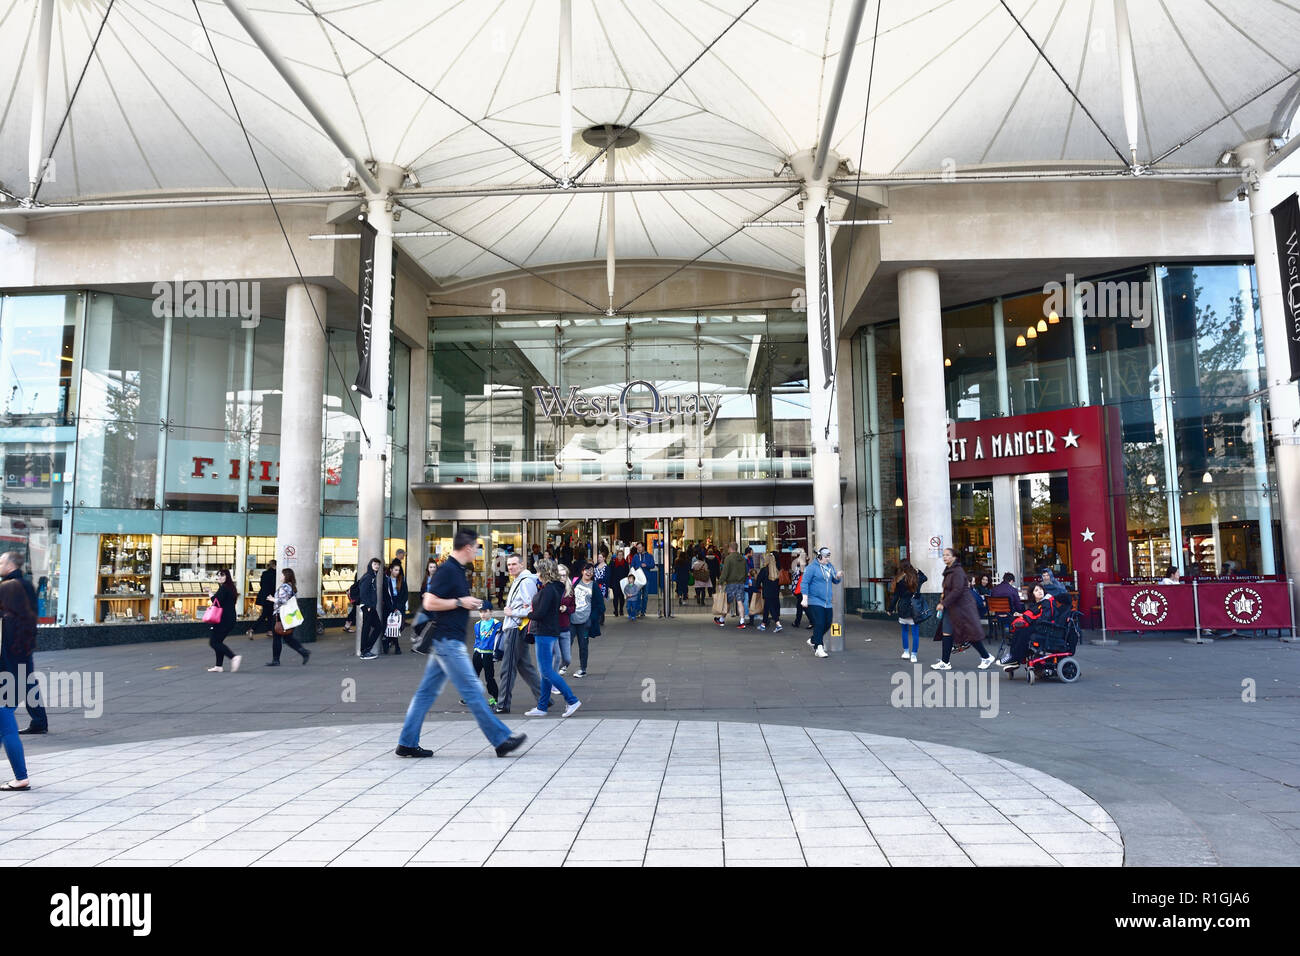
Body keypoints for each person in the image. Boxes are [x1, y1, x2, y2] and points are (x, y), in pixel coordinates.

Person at [396, 530, 525, 759]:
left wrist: (466, 603)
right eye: (476, 547)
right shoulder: (447, 570)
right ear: (467, 547)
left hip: (444, 642)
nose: (476, 551)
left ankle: (406, 743)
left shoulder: (456, 571)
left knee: (426, 693)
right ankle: (501, 739)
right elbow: (429, 601)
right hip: (448, 642)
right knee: (473, 690)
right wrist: (459, 601)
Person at [524, 559, 582, 719]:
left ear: (544, 573)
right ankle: (542, 706)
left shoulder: (548, 590)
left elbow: (540, 613)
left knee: (546, 670)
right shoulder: (554, 588)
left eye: (538, 571)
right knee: (545, 672)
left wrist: (527, 613)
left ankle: (571, 700)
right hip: (549, 631)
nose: (536, 574)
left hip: (544, 632)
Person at [0, 553, 45, 734]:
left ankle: (10, 717)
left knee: (18, 681)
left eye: (1, 562)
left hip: (12, 642)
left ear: (11, 565)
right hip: (22, 642)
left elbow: (9, 616)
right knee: (25, 680)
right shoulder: (25, 584)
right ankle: (39, 721)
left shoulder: (10, 586)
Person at [495, 553, 543, 715]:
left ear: (522, 565)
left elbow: (531, 609)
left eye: (514, 564)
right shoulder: (520, 580)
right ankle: (544, 699)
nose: (511, 567)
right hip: (515, 627)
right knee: (525, 666)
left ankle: (503, 704)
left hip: (516, 628)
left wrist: (512, 612)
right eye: (509, 565)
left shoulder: (525, 581)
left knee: (507, 668)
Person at [933, 548, 995, 671]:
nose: (945, 557)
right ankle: (945, 662)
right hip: (952, 607)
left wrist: (943, 603)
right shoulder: (950, 570)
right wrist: (943, 599)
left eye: (947, 555)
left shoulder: (957, 571)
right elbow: (951, 589)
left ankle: (986, 656)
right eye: (943, 555)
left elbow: (957, 590)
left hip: (961, 608)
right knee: (947, 632)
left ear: (954, 557)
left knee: (969, 633)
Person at [0, 574, 35, 789]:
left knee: (8, 730)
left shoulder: (4, 623)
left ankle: (21, 778)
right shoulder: (24, 621)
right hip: (18, 679)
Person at [1001, 584, 1059, 668]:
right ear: (1033, 594)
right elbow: (1035, 615)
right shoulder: (1040, 603)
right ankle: (1013, 656)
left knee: (1023, 632)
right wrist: (1023, 616)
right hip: (1040, 625)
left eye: (1040, 589)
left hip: (1046, 628)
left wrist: (1027, 619)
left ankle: (1015, 658)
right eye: (1036, 590)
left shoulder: (1047, 602)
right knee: (1018, 631)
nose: (1039, 591)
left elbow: (1045, 618)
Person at [800, 546, 842, 658]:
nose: (828, 559)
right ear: (819, 556)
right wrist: (805, 598)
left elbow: (835, 581)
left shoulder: (830, 566)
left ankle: (814, 639)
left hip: (827, 601)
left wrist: (837, 577)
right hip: (814, 600)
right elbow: (804, 583)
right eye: (825, 557)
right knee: (819, 623)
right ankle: (819, 647)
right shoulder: (811, 568)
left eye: (829, 557)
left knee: (827, 623)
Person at [268, 568, 310, 666]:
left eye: (282, 575)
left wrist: (272, 599)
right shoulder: (291, 586)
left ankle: (276, 660)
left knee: (277, 637)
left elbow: (283, 600)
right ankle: (303, 652)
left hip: (280, 615)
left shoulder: (284, 587)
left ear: (286, 576)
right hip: (286, 616)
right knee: (288, 638)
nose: (280, 576)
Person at [887, 561, 926, 663]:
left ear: (902, 569)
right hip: (915, 608)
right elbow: (925, 578)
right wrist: (919, 571)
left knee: (904, 631)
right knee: (915, 633)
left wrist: (890, 609)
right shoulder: (917, 578)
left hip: (903, 607)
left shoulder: (899, 581)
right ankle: (914, 655)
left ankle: (906, 652)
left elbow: (895, 596)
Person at [205, 568, 242, 673]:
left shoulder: (224, 588)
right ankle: (218, 666)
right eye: (218, 575)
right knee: (218, 641)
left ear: (227, 577)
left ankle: (233, 657)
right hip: (229, 618)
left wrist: (210, 592)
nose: (219, 577)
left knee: (214, 642)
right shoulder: (231, 587)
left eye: (222, 575)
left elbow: (215, 601)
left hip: (223, 619)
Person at [571, 565, 601, 678]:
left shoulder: (594, 586)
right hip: (572, 619)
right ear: (582, 571)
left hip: (585, 621)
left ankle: (583, 668)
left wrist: (592, 618)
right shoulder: (575, 582)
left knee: (583, 646)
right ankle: (563, 665)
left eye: (591, 571)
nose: (588, 572)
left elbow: (600, 605)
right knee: (566, 642)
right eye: (586, 570)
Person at [473, 604, 501, 708]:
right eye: (481, 612)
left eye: (485, 611)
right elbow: (478, 638)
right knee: (473, 675)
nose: (483, 614)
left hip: (488, 654)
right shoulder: (477, 624)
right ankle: (471, 696)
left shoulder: (497, 624)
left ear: (491, 611)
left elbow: (500, 640)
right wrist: (476, 649)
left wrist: (497, 653)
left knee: (489, 677)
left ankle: (495, 697)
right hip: (477, 652)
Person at [357, 556, 385, 659]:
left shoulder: (373, 576)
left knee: (377, 627)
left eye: (378, 564)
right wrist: (368, 605)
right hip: (368, 607)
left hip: (370, 607)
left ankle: (366, 649)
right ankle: (364, 652)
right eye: (374, 564)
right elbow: (363, 592)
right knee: (367, 628)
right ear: (370, 565)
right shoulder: (369, 576)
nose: (376, 566)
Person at [379, 559, 408, 655]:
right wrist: (392, 608)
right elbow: (385, 596)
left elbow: (405, 595)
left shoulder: (402, 580)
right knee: (392, 625)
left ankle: (387, 640)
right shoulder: (386, 581)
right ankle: (397, 646)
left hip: (399, 604)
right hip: (389, 605)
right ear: (391, 570)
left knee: (400, 626)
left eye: (398, 570)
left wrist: (399, 607)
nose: (397, 572)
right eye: (395, 570)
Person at [717, 542, 747, 628]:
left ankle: (721, 620)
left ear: (730, 548)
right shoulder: (742, 558)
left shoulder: (728, 558)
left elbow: (725, 572)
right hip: (740, 583)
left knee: (728, 602)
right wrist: (743, 580)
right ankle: (742, 621)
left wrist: (720, 582)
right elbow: (745, 572)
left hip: (731, 584)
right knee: (740, 602)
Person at [248, 558, 278, 637]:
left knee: (269, 614)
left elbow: (261, 584)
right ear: (275, 565)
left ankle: (269, 631)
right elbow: (274, 586)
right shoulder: (276, 574)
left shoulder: (265, 573)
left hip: (264, 596)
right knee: (265, 615)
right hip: (271, 597)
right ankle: (252, 629)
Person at [757, 551, 783, 632]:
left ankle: (778, 624)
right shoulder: (776, 570)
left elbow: (758, 582)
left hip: (767, 592)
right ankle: (763, 624)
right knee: (767, 607)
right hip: (775, 592)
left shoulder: (764, 570)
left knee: (771, 608)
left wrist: (758, 587)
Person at [790, 549, 810, 629]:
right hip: (803, 588)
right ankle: (798, 622)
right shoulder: (807, 567)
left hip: (800, 589)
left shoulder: (799, 567)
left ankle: (799, 622)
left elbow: (795, 576)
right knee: (801, 606)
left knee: (802, 606)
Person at [609, 550, 629, 617]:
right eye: (619, 555)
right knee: (615, 597)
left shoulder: (625, 563)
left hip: (623, 583)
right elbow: (610, 573)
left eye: (621, 555)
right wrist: (610, 583)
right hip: (615, 582)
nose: (620, 556)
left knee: (622, 597)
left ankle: (621, 610)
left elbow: (627, 573)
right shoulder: (613, 563)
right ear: (616, 556)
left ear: (623, 556)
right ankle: (616, 611)